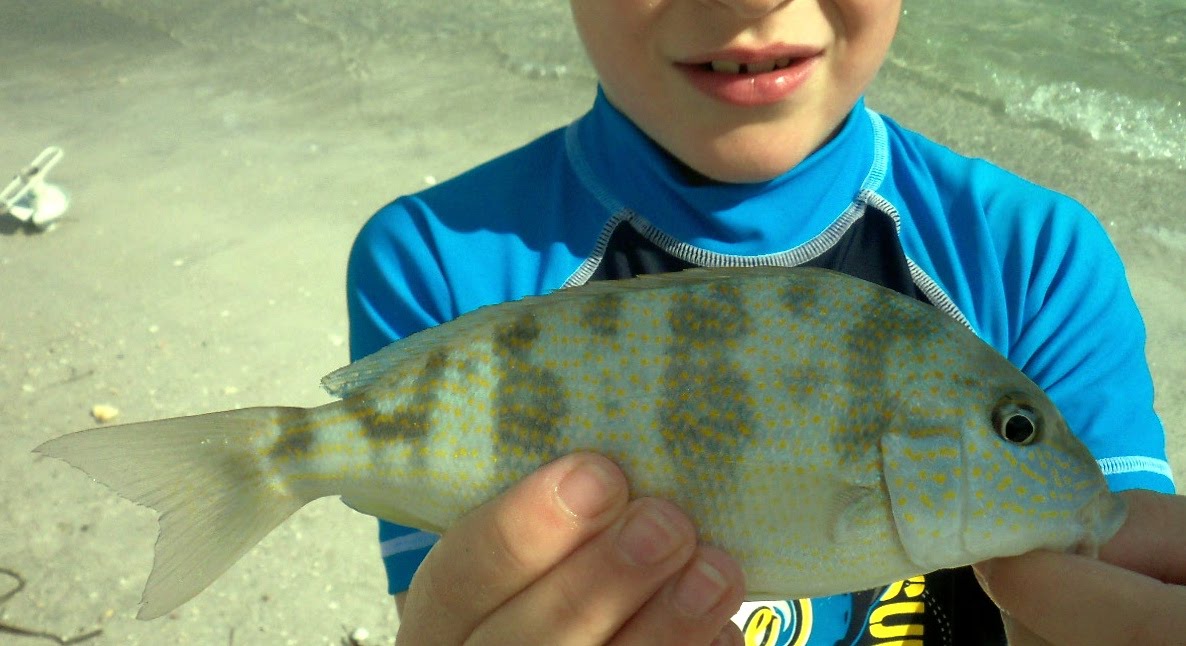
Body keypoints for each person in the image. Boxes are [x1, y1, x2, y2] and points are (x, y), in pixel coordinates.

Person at [345, 0, 1179, 643]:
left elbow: (1122, 562)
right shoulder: (433, 261)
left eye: (1017, 426)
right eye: (1015, 427)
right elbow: (452, 601)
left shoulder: (1031, 259)